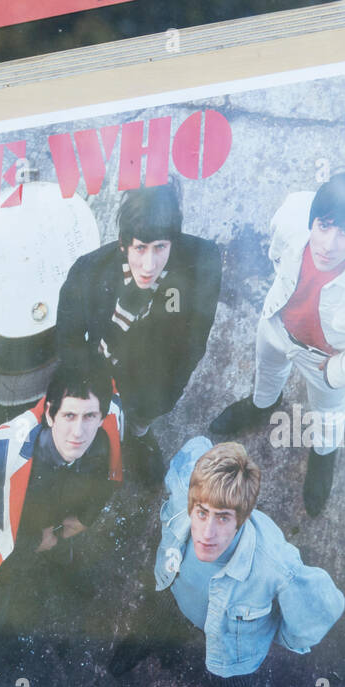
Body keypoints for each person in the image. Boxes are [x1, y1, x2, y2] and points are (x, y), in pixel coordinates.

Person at [209, 167, 345, 514]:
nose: (328, 244)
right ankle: (261, 407)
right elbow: (278, 252)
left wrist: (341, 368)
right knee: (268, 371)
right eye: (323, 225)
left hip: (323, 358)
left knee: (328, 413)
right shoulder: (291, 215)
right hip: (278, 325)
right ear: (312, 220)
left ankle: (323, 457)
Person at [110, 436, 345, 687]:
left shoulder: (274, 563)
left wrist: (280, 636)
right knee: (152, 622)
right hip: (175, 596)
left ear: (242, 518)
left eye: (223, 518)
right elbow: (188, 458)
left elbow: (318, 609)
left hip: (233, 648)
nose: (207, 533)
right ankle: (143, 642)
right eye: (202, 513)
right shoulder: (186, 489)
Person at [57, 182, 222, 483]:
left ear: (173, 241)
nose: (149, 265)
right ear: (124, 245)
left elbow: (194, 340)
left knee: (141, 419)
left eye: (160, 247)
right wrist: (88, 387)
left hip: (154, 376)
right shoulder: (88, 273)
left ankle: (139, 435)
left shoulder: (202, 263)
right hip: (102, 370)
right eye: (140, 248)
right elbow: (67, 340)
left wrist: (166, 393)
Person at [0, 361, 124, 595]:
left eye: (89, 416)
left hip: (62, 525)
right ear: (50, 414)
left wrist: (85, 518)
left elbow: (105, 481)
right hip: (24, 539)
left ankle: (62, 566)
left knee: (62, 559)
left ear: (101, 419)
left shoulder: (101, 445)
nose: (79, 432)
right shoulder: (7, 466)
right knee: (16, 583)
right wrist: (36, 541)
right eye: (69, 415)